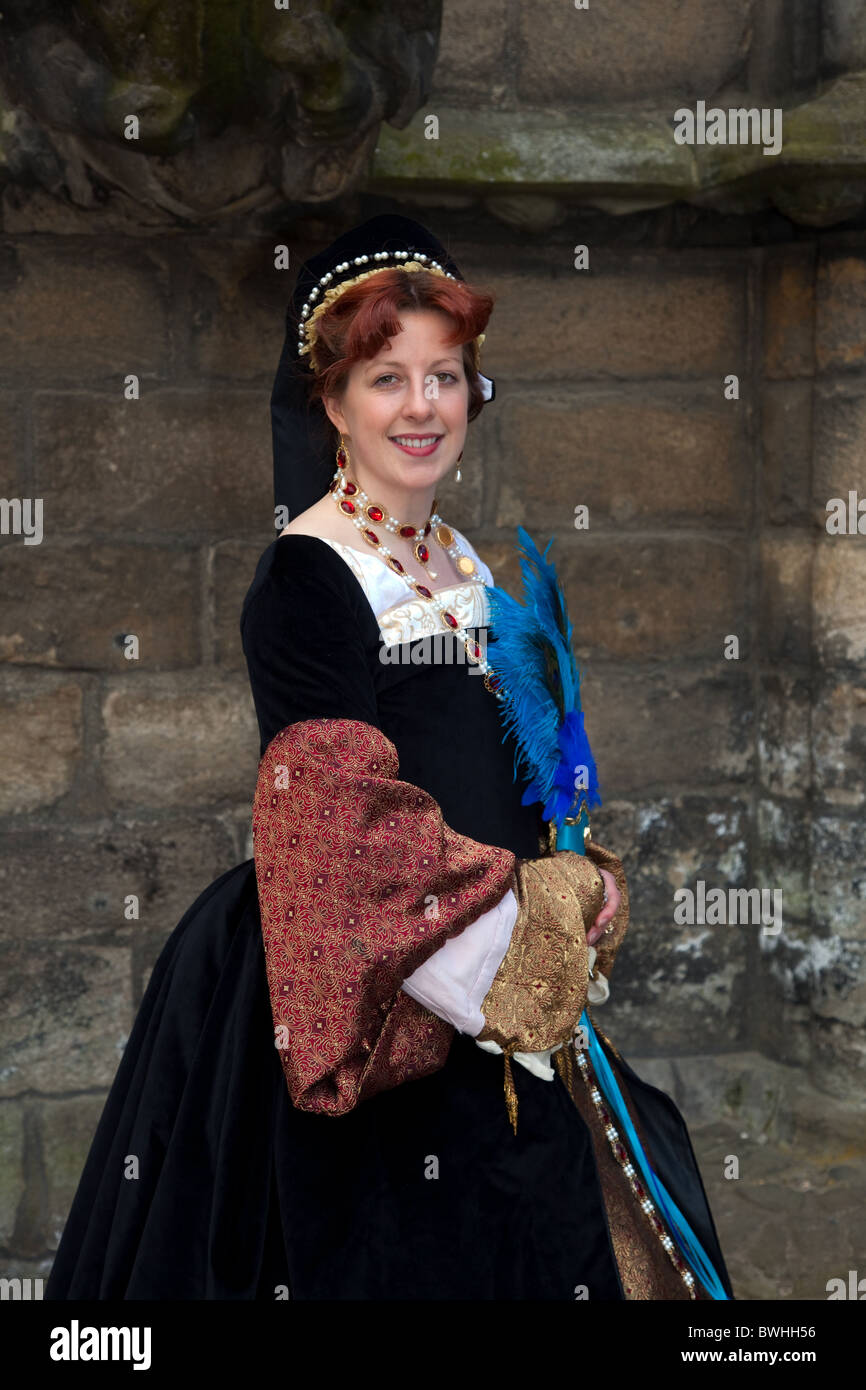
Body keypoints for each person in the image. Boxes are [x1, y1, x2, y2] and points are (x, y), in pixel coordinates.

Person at [45, 214, 733, 1301]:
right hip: (382, 987)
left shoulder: (459, 559)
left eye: (445, 377)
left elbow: (530, 771)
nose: (421, 407)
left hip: (495, 974)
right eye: (385, 378)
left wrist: (575, 875)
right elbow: (350, 834)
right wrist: (528, 945)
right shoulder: (309, 578)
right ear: (330, 402)